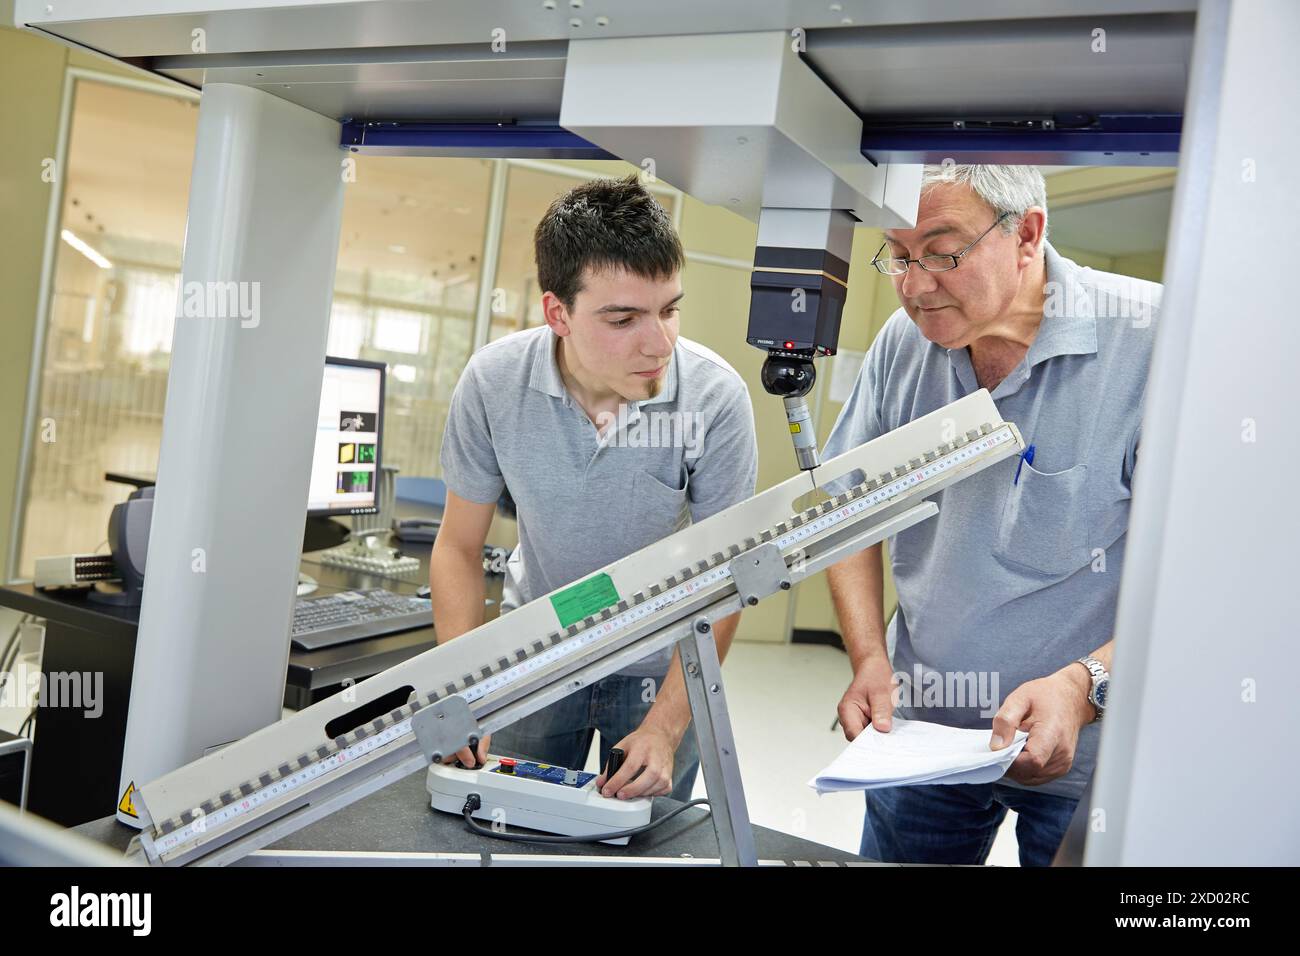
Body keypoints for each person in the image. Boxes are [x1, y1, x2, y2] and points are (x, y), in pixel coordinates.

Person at [823, 164, 1158, 865]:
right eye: (900, 255)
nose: (915, 285)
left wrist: (1084, 686)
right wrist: (868, 658)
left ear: (1028, 234)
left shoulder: (1152, 343)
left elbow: (1206, 575)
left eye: (943, 252)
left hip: (1084, 754)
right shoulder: (902, 344)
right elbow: (846, 510)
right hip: (921, 742)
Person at [429, 174, 758, 802]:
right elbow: (458, 547)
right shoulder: (494, 383)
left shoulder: (714, 399)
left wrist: (665, 726)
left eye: (668, 309)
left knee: (642, 841)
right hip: (531, 659)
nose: (658, 342)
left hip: (661, 671)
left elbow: (727, 576)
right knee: (506, 829)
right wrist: (461, 691)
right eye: (623, 318)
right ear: (559, 313)